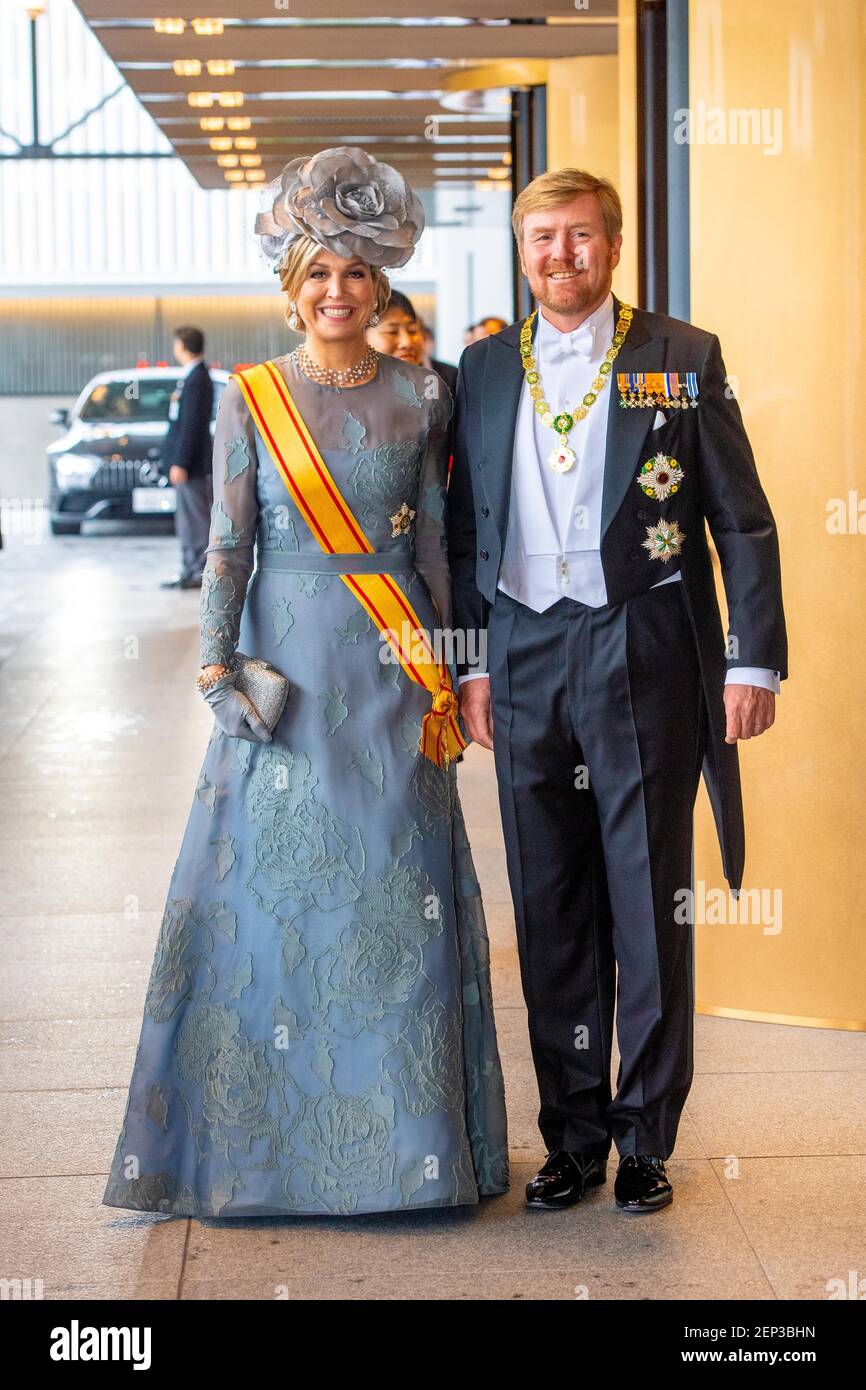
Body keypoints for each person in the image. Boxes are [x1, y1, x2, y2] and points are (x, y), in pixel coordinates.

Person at [102, 146, 509, 1219]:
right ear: (291, 286)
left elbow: (432, 550)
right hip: (284, 666)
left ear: (378, 286)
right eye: (317, 275)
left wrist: (448, 673)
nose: (336, 292)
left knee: (393, 892)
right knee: (272, 899)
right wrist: (211, 661)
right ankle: (258, 1149)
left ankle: (411, 1151)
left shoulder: (422, 392)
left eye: (354, 275)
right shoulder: (252, 396)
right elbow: (227, 546)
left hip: (392, 667)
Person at [447, 167, 787, 1215]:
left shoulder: (677, 358)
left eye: (580, 236)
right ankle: (570, 1136)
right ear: (521, 247)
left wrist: (749, 657)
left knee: (644, 902)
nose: (561, 255)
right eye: (542, 237)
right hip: (521, 650)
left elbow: (740, 515)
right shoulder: (480, 368)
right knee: (548, 907)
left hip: (640, 647)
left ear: (614, 245)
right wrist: (467, 659)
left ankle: (642, 1136)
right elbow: (462, 531)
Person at [160, 326, 215, 590]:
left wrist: (181, 461)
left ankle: (197, 571)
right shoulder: (193, 377)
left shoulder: (198, 379)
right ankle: (190, 568)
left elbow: (192, 425)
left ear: (182, 345)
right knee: (188, 519)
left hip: (192, 466)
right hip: (188, 464)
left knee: (195, 519)